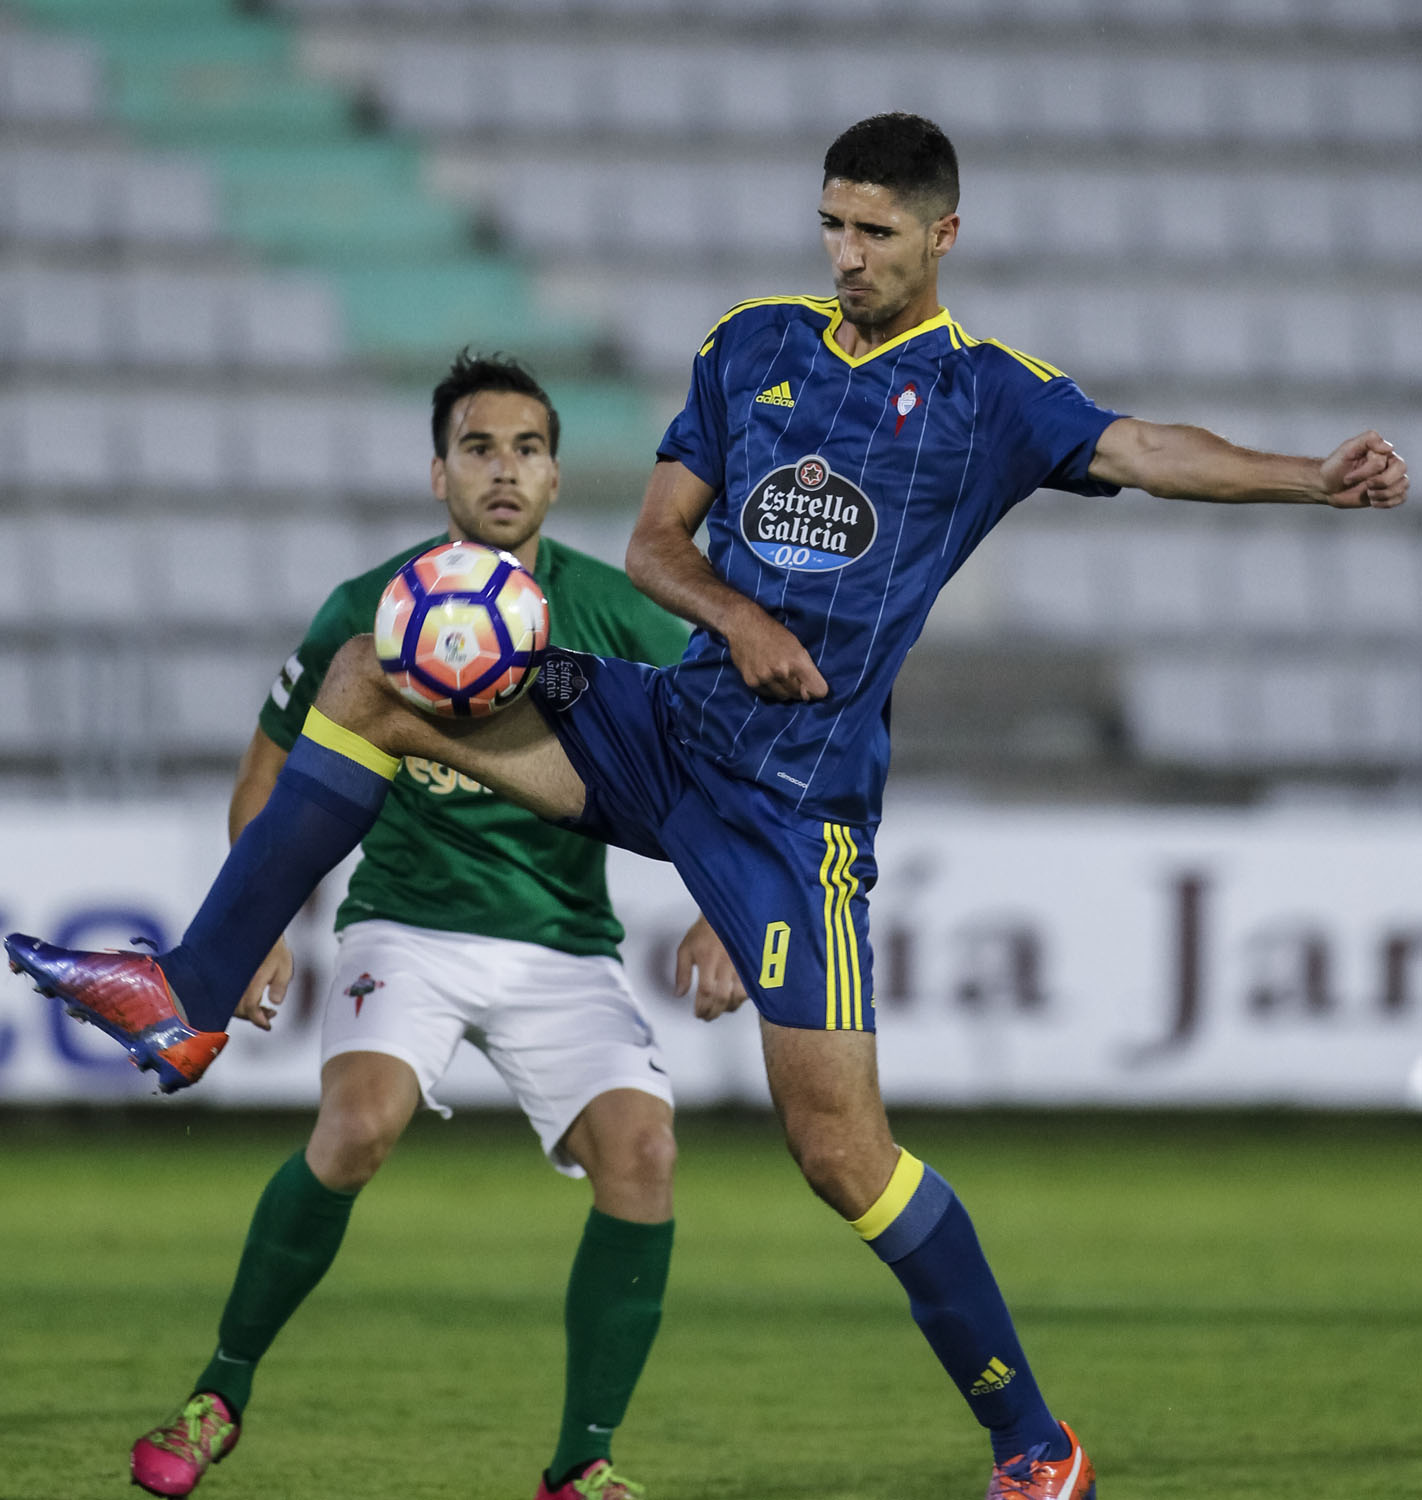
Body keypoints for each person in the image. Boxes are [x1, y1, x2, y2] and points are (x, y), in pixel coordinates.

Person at [7, 114, 1409, 1499]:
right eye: (831, 225)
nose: (845, 254)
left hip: (795, 819)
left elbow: (1145, 450)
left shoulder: (987, 396)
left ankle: (1034, 1444)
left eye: (873, 231)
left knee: (840, 1155)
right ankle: (185, 996)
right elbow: (652, 544)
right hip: (667, 728)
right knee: (377, 673)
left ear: (941, 237)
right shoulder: (753, 344)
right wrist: (733, 621)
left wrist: (1307, 479)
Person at [121, 352, 744, 1500]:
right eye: (478, 447)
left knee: (646, 1156)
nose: (503, 471)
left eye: (527, 448)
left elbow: (725, 768)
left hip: (564, 942)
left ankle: (581, 1466)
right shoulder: (366, 612)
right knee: (356, 1129)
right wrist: (257, 917)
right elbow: (268, 767)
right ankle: (220, 1392)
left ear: (557, 476)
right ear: (437, 474)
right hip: (405, 926)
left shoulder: (612, 613)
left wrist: (728, 911)